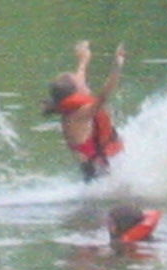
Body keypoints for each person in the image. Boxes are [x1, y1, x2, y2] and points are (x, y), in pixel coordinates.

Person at [42, 40, 125, 182]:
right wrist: (117, 66)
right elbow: (104, 96)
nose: (84, 82)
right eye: (81, 83)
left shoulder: (73, 104)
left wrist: (84, 58)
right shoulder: (78, 115)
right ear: (75, 93)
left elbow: (79, 77)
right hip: (99, 176)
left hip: (103, 169)